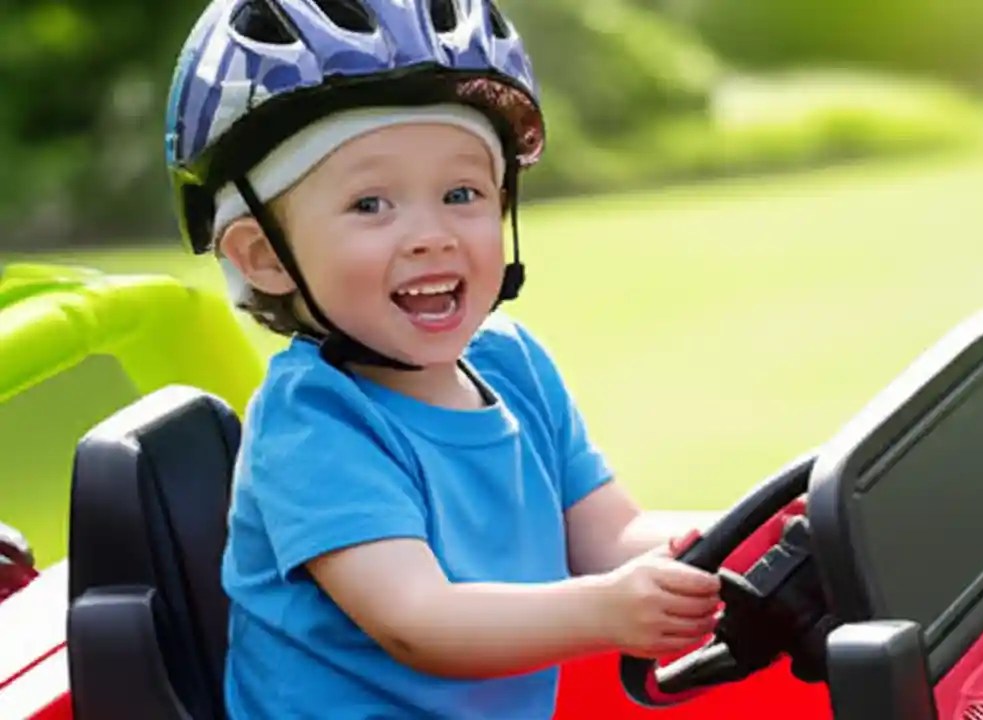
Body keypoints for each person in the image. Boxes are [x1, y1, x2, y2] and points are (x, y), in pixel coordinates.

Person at [163, 0, 733, 717]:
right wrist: (607, 612)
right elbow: (419, 621)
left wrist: (736, 540)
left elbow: (612, 536)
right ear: (265, 256)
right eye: (371, 204)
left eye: (461, 193)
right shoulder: (314, 424)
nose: (430, 235)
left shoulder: (515, 368)